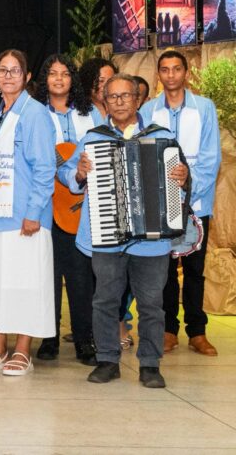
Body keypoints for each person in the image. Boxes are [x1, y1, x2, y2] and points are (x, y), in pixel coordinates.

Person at [61, 74, 189, 388]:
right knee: (104, 300)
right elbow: (66, 174)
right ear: (105, 102)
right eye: (113, 97)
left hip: (152, 243)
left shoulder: (162, 136)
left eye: (125, 96)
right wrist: (77, 173)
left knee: (150, 303)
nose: (119, 101)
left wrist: (183, 178)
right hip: (107, 238)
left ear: (137, 99)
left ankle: (149, 364)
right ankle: (107, 360)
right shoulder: (93, 137)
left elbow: (181, 181)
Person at [0, 49, 56, 376]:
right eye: (2, 70)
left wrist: (33, 212)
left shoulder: (34, 114)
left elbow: (45, 169)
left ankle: (22, 351)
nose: (7, 76)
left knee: (24, 285)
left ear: (27, 76)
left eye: (15, 70)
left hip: (23, 219)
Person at [140, 50, 222, 357]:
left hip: (196, 202)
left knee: (194, 268)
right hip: (160, 203)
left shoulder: (204, 108)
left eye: (176, 69)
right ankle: (168, 329)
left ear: (186, 72)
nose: (171, 75)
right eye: (165, 70)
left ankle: (198, 331)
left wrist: (189, 179)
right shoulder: (148, 111)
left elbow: (211, 156)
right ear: (158, 75)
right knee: (163, 267)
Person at [33, 54, 100, 365]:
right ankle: (48, 339)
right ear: (44, 79)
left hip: (81, 207)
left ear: (73, 80)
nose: (59, 79)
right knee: (47, 274)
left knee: (80, 277)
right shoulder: (34, 115)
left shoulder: (91, 115)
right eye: (52, 73)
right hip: (45, 207)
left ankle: (85, 339)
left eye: (65, 74)